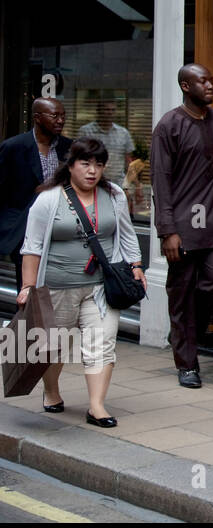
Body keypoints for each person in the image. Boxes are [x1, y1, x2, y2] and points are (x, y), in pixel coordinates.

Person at [17, 137, 145, 427]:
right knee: (54, 346)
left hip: (101, 286)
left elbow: (125, 234)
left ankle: (97, 406)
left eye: (99, 165)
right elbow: (32, 247)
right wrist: (27, 287)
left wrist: (136, 265)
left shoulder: (113, 195)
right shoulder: (49, 199)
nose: (92, 171)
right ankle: (51, 392)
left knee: (102, 343)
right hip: (56, 287)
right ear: (71, 165)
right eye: (85, 164)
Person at [151, 64, 213, 389]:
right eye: (202, 80)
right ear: (186, 86)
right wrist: (167, 230)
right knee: (181, 292)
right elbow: (161, 179)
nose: (210, 84)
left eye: (211, 79)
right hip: (182, 226)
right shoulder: (168, 126)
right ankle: (187, 363)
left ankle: (184, 331)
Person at [0, 98, 72, 274]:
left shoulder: (69, 147)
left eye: (63, 115)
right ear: (37, 118)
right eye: (55, 116)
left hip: (59, 227)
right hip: (22, 229)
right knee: (26, 286)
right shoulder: (13, 147)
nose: (61, 120)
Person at [78, 100, 135, 186]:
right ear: (99, 111)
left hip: (118, 183)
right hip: (93, 182)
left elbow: (129, 161)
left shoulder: (123, 133)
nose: (110, 113)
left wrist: (135, 184)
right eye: (107, 110)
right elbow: (78, 158)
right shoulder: (86, 131)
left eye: (113, 110)